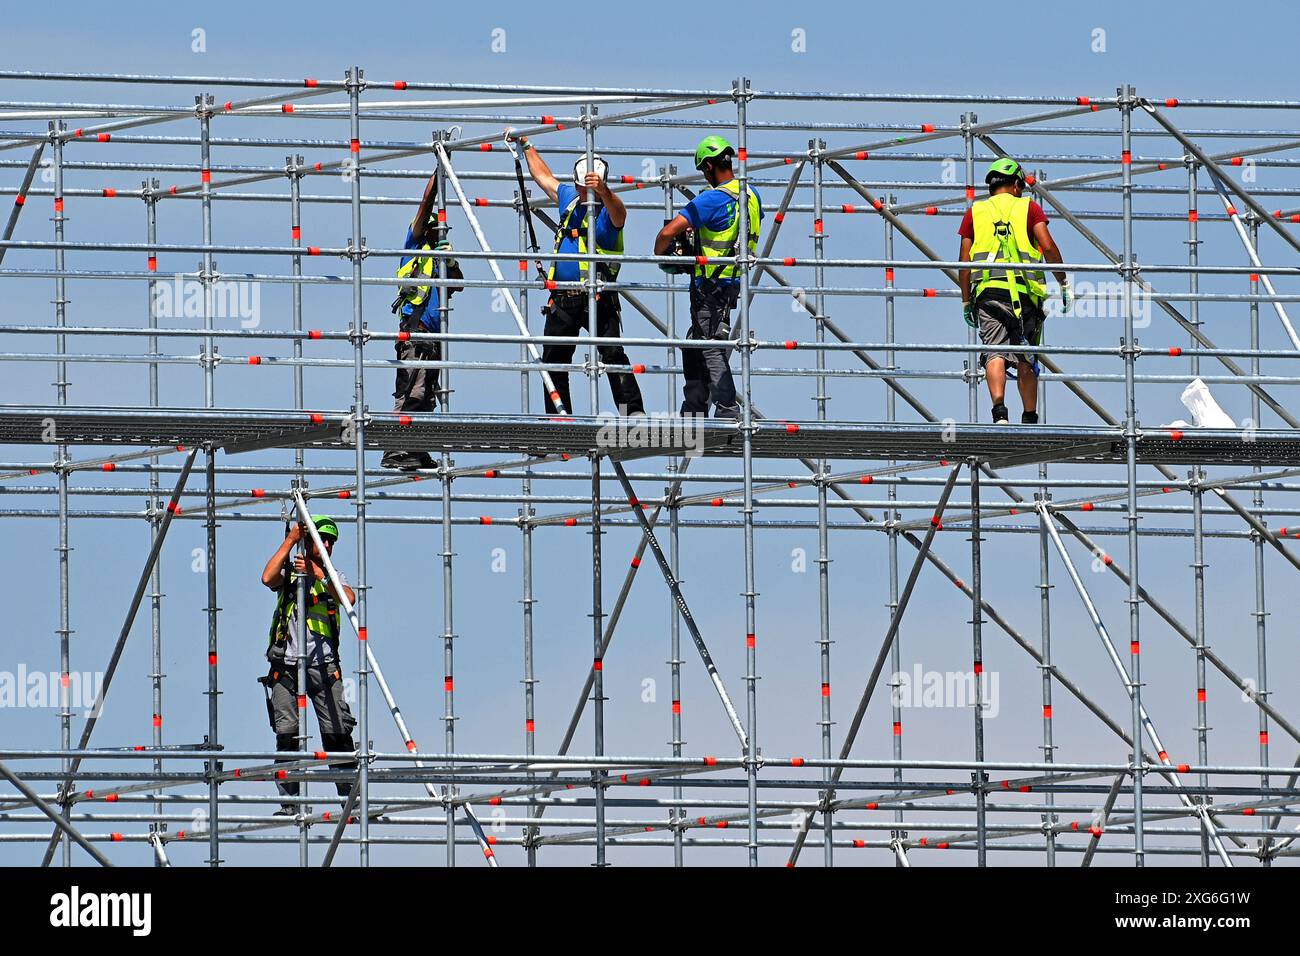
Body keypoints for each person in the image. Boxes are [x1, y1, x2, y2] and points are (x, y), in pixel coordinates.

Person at [514, 135, 645, 416]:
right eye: (582, 187)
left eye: (591, 188)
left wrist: (606, 192)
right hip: (564, 298)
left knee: (612, 355)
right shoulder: (571, 201)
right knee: (554, 360)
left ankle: (633, 414)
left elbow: (621, 213)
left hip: (598, 296)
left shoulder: (607, 214)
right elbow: (544, 177)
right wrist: (526, 145)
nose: (586, 193)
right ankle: (559, 419)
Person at [654, 135, 762, 419]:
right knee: (695, 342)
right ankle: (695, 406)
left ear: (712, 166)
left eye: (704, 169)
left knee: (711, 345)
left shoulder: (713, 198)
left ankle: (727, 408)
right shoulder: (751, 196)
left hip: (710, 284)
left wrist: (661, 253)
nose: (704, 175)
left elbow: (667, 233)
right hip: (730, 284)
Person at [957, 157, 1070, 425]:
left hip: (988, 293)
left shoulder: (975, 212)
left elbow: (963, 263)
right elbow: (1048, 246)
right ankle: (1029, 416)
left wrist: (965, 301)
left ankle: (999, 412)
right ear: (1017, 185)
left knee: (994, 351)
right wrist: (1063, 281)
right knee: (1026, 354)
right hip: (1025, 294)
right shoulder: (1028, 208)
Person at [259, 516, 358, 816]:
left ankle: (350, 802)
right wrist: (290, 541)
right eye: (320, 539)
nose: (326, 545)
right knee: (287, 736)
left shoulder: (331, 575)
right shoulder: (290, 572)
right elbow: (267, 578)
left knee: (338, 736)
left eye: (330, 541)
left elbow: (349, 599)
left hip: (324, 669)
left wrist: (318, 573)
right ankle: (291, 803)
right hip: (286, 668)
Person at [382, 171, 465, 470]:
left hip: (432, 337)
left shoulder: (440, 257)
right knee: (411, 392)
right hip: (414, 332)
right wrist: (438, 174)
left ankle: (415, 449)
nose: (441, 234)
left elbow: (458, 285)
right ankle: (394, 450)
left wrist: (452, 263)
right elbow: (425, 205)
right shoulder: (414, 246)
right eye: (437, 230)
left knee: (426, 395)